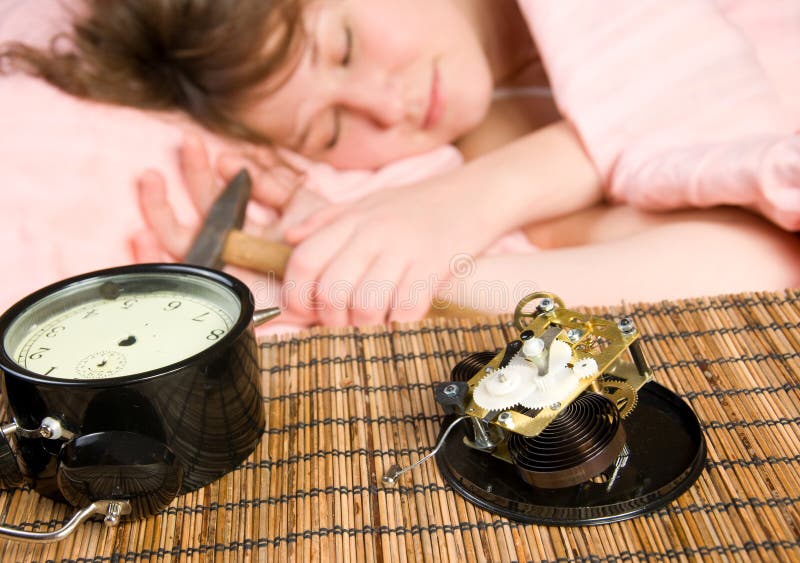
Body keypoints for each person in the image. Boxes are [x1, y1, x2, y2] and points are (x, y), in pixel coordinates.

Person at [3, 0, 799, 328]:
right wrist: (347, 256)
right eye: (327, 129)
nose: (385, 106)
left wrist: (467, 202)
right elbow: (724, 260)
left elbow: (752, 247)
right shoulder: (495, 119)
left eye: (342, 44)